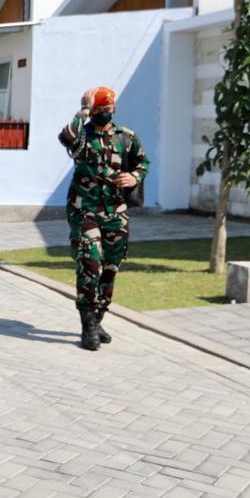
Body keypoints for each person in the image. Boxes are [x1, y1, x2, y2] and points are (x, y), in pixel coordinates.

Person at [59, 86, 149, 351]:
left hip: (116, 211)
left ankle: (98, 318)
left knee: (111, 267)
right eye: (97, 111)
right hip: (84, 209)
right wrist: (84, 110)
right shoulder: (81, 135)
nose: (102, 115)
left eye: (106, 111)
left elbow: (142, 163)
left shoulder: (126, 137)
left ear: (114, 110)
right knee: (91, 263)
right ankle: (87, 325)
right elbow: (66, 137)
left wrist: (135, 176)